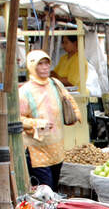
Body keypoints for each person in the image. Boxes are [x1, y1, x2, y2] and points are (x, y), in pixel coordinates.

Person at [19, 49, 79, 191]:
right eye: (40, 64)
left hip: (57, 149)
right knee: (45, 190)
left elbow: (69, 100)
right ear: (32, 66)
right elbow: (18, 119)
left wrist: (76, 114)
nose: (45, 67)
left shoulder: (55, 84)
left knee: (54, 187)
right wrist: (37, 123)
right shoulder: (25, 91)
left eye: (47, 63)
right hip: (37, 150)